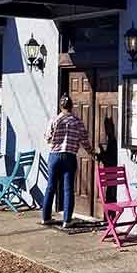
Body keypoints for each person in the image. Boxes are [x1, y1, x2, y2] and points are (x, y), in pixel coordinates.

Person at [41, 93, 96, 229]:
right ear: (71, 107)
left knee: (50, 186)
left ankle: (46, 217)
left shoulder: (55, 120)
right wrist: (91, 152)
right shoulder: (77, 122)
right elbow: (84, 140)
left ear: (61, 106)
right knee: (68, 188)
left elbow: (47, 138)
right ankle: (67, 220)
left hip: (54, 156)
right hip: (69, 157)